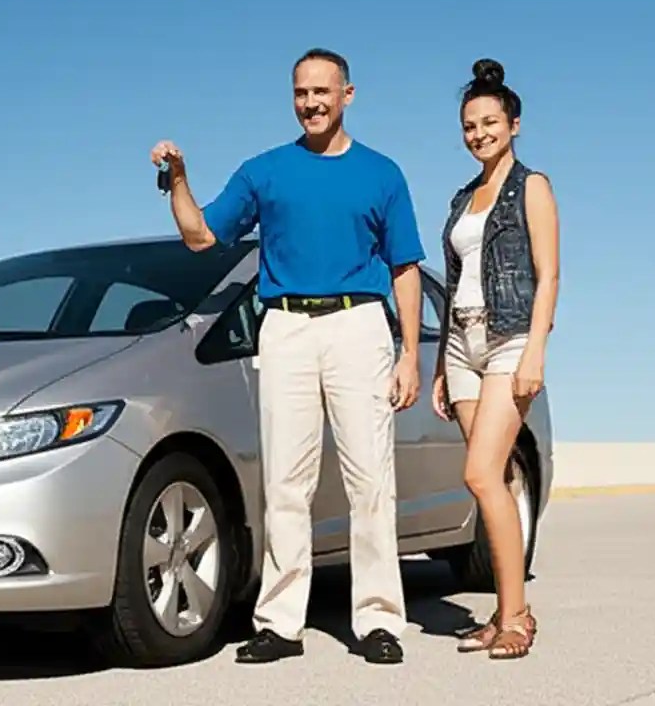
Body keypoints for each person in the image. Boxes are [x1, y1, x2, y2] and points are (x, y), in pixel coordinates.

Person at [149, 47, 425, 665]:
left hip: (359, 326)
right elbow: (200, 236)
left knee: (370, 479)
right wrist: (179, 178)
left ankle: (379, 620)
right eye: (301, 93)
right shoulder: (264, 171)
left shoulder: (382, 174)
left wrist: (408, 353)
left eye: (323, 92)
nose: (311, 103)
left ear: (347, 95)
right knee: (286, 483)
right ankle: (279, 622)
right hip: (286, 329)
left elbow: (406, 267)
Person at [430, 58, 560, 660]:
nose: (478, 133)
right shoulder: (462, 199)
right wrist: (438, 364)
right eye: (469, 126)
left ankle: (521, 617)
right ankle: (502, 613)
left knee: (481, 473)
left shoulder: (532, 186)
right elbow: (454, 283)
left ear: (513, 124)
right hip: (461, 344)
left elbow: (548, 273)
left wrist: (536, 349)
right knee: (498, 481)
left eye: (489, 122)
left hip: (510, 341)